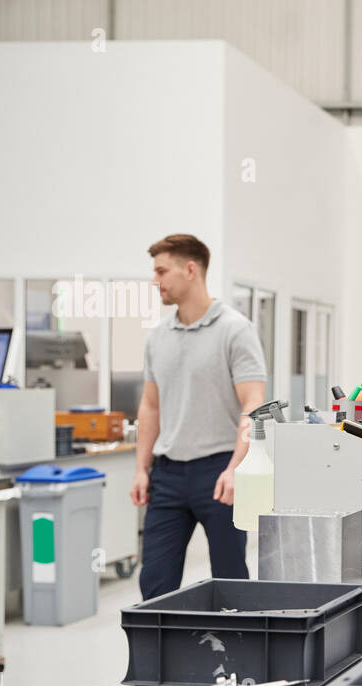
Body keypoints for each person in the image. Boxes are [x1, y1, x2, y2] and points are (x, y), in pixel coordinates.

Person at [131, 234, 267, 599]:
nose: (155, 280)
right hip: (168, 475)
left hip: (220, 469)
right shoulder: (157, 336)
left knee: (230, 580)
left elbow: (254, 405)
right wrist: (142, 467)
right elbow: (150, 406)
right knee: (155, 582)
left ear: (190, 269)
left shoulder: (235, 330)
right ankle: (159, 657)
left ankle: (237, 654)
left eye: (162, 271)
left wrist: (238, 467)